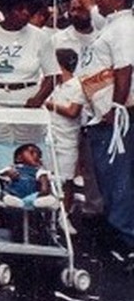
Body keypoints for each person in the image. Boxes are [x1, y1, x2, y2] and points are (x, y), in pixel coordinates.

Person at [73, 0, 134, 253]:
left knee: (116, 178)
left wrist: (117, 107)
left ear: (121, 0)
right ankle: (120, 234)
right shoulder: (111, 24)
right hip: (102, 115)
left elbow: (125, 68)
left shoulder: (125, 28)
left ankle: (126, 240)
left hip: (115, 118)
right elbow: (88, 3)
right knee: (108, 176)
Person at [46, 48, 85, 222]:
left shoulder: (77, 85)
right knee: (46, 176)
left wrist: (50, 104)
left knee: (66, 180)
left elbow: (73, 112)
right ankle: (47, 217)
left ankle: (64, 217)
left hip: (67, 139)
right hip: (49, 136)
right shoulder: (52, 84)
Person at [0, 143, 58, 209]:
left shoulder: (38, 171)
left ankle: (38, 201)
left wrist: (44, 187)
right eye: (32, 153)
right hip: (14, 193)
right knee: (5, 193)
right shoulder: (12, 168)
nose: (36, 156)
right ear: (19, 158)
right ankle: (13, 200)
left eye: (39, 156)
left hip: (33, 195)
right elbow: (0, 175)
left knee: (39, 193)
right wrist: (8, 173)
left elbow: (43, 178)